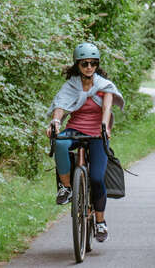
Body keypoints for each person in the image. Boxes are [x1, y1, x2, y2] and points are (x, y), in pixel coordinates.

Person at [47, 42, 124, 243]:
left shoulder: (104, 86)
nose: (89, 67)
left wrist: (105, 127)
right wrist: (55, 122)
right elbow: (61, 105)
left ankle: (100, 222)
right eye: (84, 64)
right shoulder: (71, 85)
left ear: (97, 65)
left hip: (97, 134)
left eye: (93, 63)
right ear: (77, 65)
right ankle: (66, 188)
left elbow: (107, 109)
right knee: (61, 144)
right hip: (75, 129)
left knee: (98, 178)